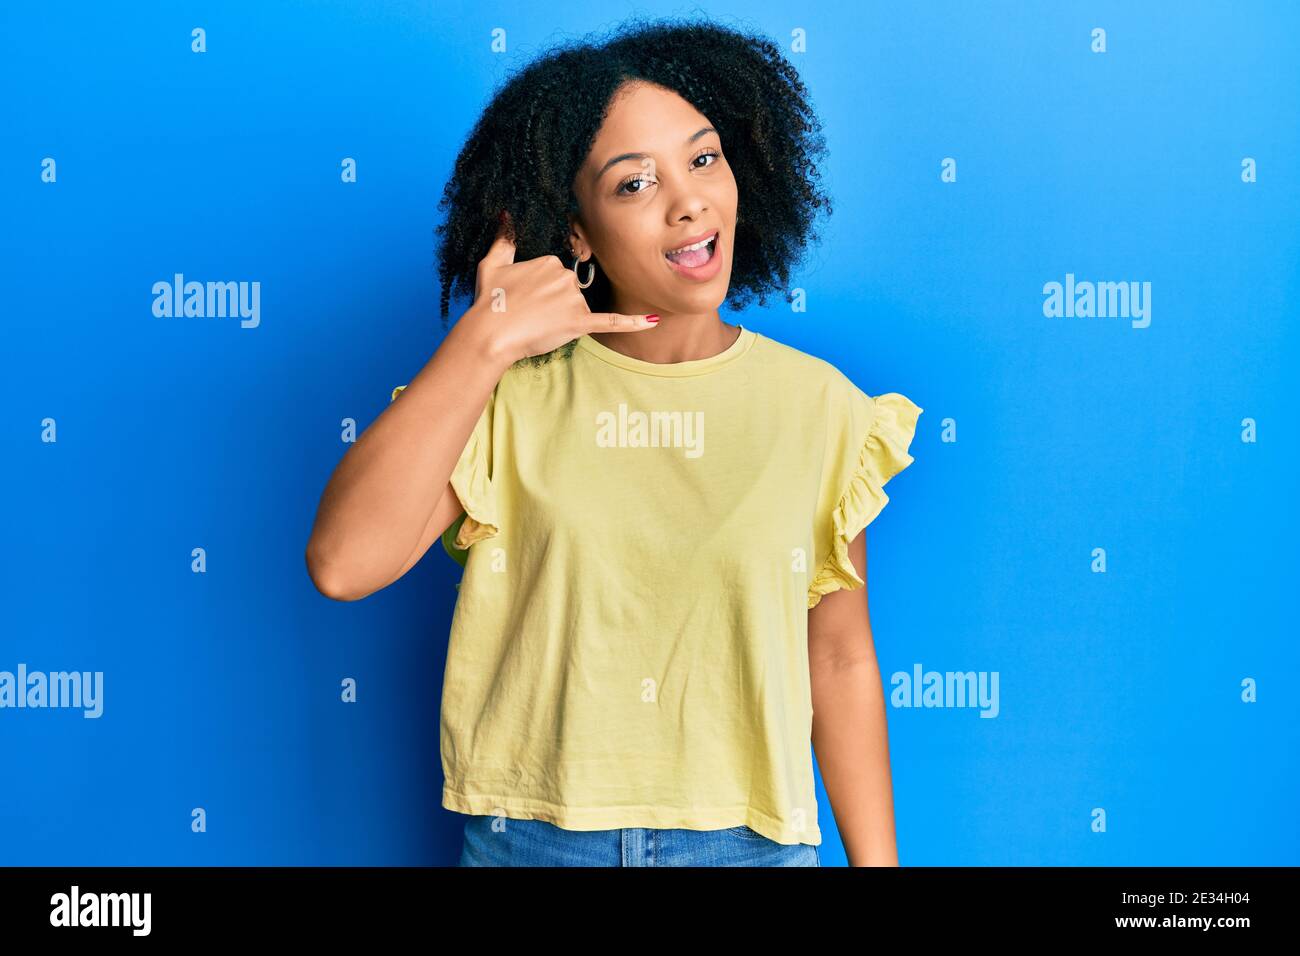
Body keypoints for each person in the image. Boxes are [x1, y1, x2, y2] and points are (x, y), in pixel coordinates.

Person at [305, 17, 922, 867]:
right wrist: (481, 342)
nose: (689, 200)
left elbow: (841, 658)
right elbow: (342, 563)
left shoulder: (822, 410)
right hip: (535, 844)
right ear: (578, 233)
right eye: (634, 184)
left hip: (749, 848)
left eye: (704, 159)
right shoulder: (505, 400)